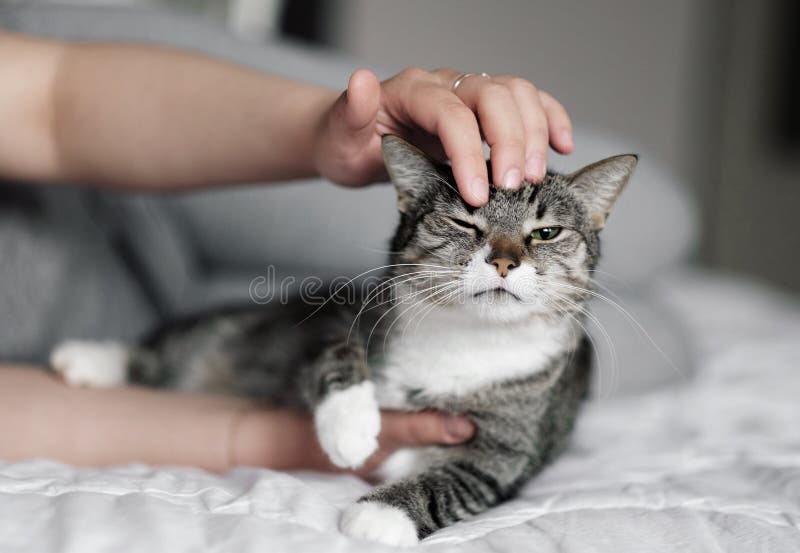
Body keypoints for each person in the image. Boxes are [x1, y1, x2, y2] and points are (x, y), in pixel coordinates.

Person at [0, 31, 573, 474]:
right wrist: (266, 437)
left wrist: (323, 133)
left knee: (648, 216)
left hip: (128, 189)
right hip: (183, 336)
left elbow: (48, 104)